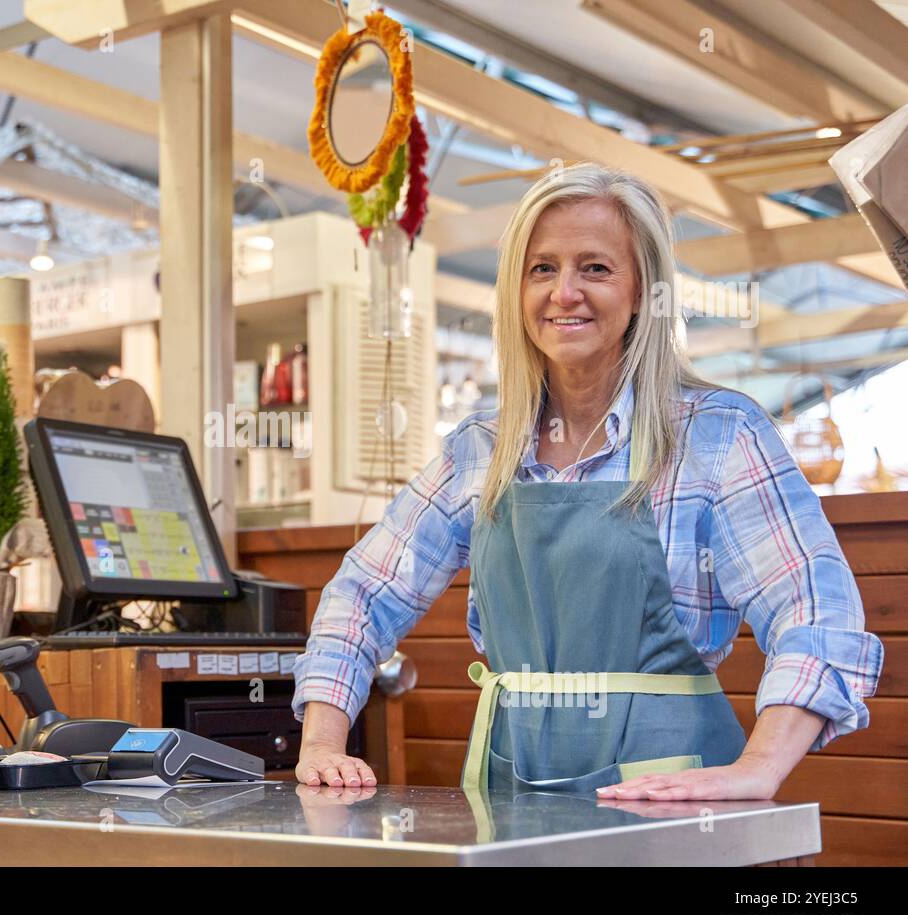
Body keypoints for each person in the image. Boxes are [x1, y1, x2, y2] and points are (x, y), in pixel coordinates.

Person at [292, 163, 883, 799]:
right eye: (542, 268)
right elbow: (363, 592)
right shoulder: (479, 452)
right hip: (508, 795)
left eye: (595, 268)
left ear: (642, 291)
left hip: (669, 801)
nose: (563, 292)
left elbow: (817, 613)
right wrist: (324, 742)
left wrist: (759, 769)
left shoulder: (717, 435)